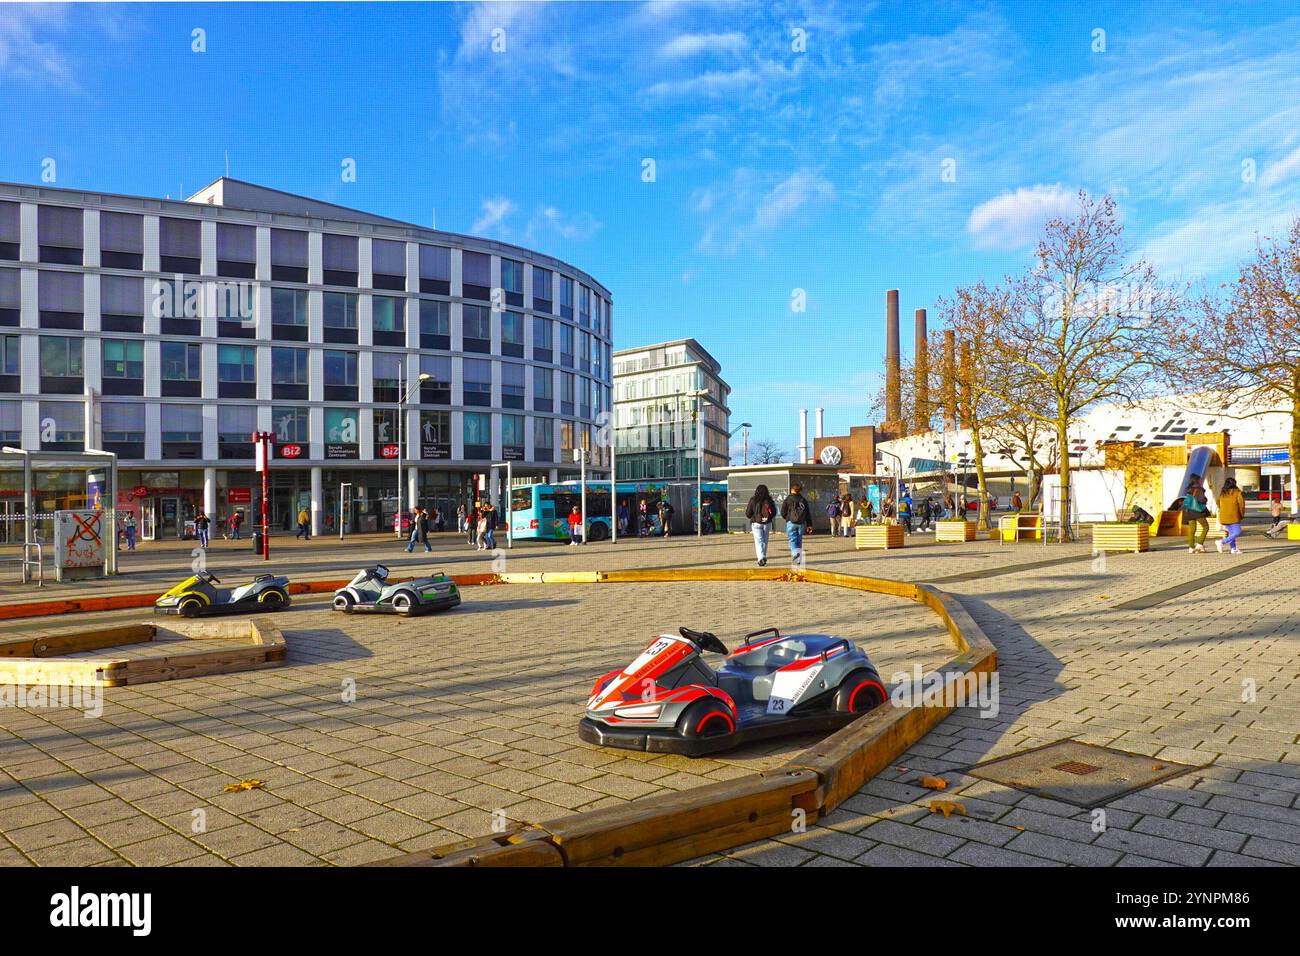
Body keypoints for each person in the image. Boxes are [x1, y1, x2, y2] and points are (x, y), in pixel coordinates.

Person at [780, 483, 813, 564]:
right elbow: (807, 513)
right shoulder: (803, 500)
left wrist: (787, 518)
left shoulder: (788, 499)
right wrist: (809, 525)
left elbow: (782, 512)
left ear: (792, 490)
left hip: (791, 522)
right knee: (799, 540)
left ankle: (796, 558)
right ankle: (798, 557)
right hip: (801, 523)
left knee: (792, 540)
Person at [745, 484, 777, 566]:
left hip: (756, 523)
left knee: (759, 541)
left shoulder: (753, 499)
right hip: (767, 523)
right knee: (764, 541)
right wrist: (768, 518)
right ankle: (762, 557)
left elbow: (748, 514)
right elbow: (774, 512)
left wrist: (754, 515)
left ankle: (761, 558)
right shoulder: (769, 500)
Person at [1215, 477, 1246, 555]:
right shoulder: (1238, 493)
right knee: (1237, 532)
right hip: (1234, 516)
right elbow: (1241, 505)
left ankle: (1233, 548)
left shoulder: (1222, 493)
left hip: (1224, 516)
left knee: (1232, 533)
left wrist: (1223, 509)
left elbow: (1217, 502)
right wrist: (1242, 514)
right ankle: (1221, 542)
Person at [1182, 474, 1210, 554]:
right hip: (1197, 511)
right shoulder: (1198, 488)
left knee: (1192, 529)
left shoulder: (1187, 488)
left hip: (1188, 511)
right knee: (1206, 527)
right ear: (1197, 480)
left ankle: (1191, 547)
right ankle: (1200, 544)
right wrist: (1205, 499)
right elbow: (1201, 499)